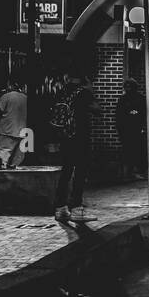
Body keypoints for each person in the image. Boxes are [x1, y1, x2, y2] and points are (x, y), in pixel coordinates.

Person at [51, 69, 98, 224]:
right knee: (80, 172)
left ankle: (60, 208)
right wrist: (91, 90)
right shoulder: (84, 93)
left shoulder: (63, 91)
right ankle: (77, 208)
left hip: (65, 138)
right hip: (80, 138)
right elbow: (97, 110)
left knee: (66, 172)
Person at [0, 77, 28, 169]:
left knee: (2, 153)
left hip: (7, 129)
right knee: (15, 160)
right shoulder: (25, 97)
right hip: (22, 131)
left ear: (10, 85)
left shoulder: (6, 96)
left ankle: (0, 170)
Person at [115, 78, 146, 180]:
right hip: (126, 128)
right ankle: (127, 172)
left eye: (129, 87)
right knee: (127, 150)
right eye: (126, 87)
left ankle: (133, 171)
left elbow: (144, 113)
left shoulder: (140, 98)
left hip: (136, 128)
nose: (127, 89)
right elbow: (119, 114)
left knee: (136, 150)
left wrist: (142, 125)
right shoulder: (123, 99)